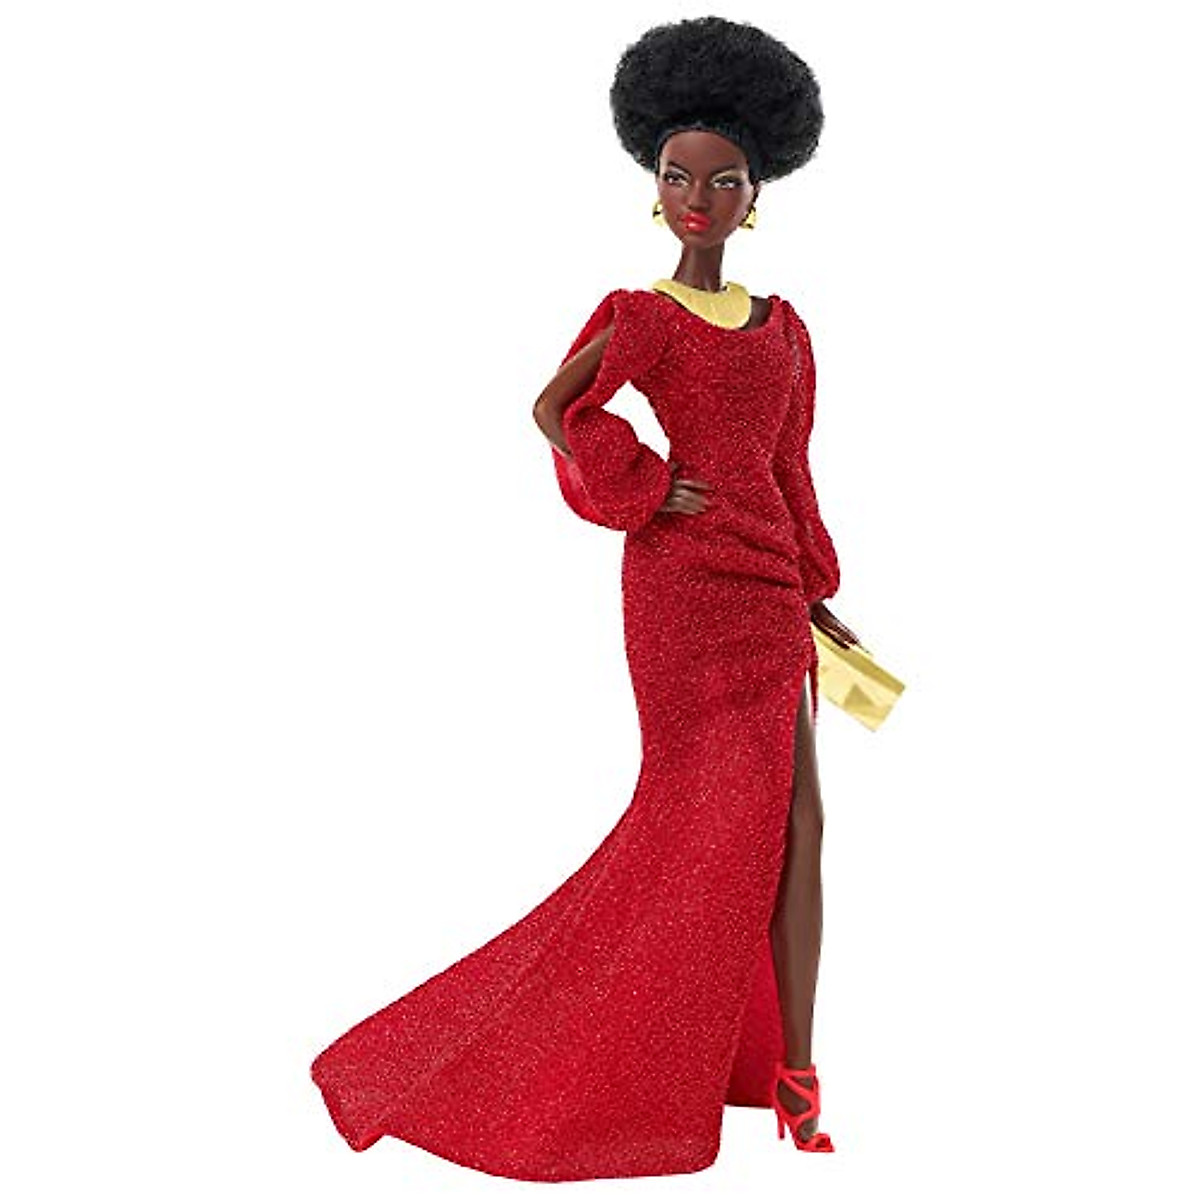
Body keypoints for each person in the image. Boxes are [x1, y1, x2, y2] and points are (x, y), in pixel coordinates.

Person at [310, 16, 860, 1181]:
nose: (696, 198)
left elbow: (791, 465)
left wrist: (818, 591)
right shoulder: (642, 317)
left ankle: (795, 1073)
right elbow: (556, 410)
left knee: (800, 827)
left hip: (770, 590)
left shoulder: (787, 331)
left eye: (721, 179)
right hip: (682, 596)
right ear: (653, 186)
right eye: (676, 176)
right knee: (702, 825)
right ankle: (570, 1056)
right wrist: (650, 486)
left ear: (757, 191)